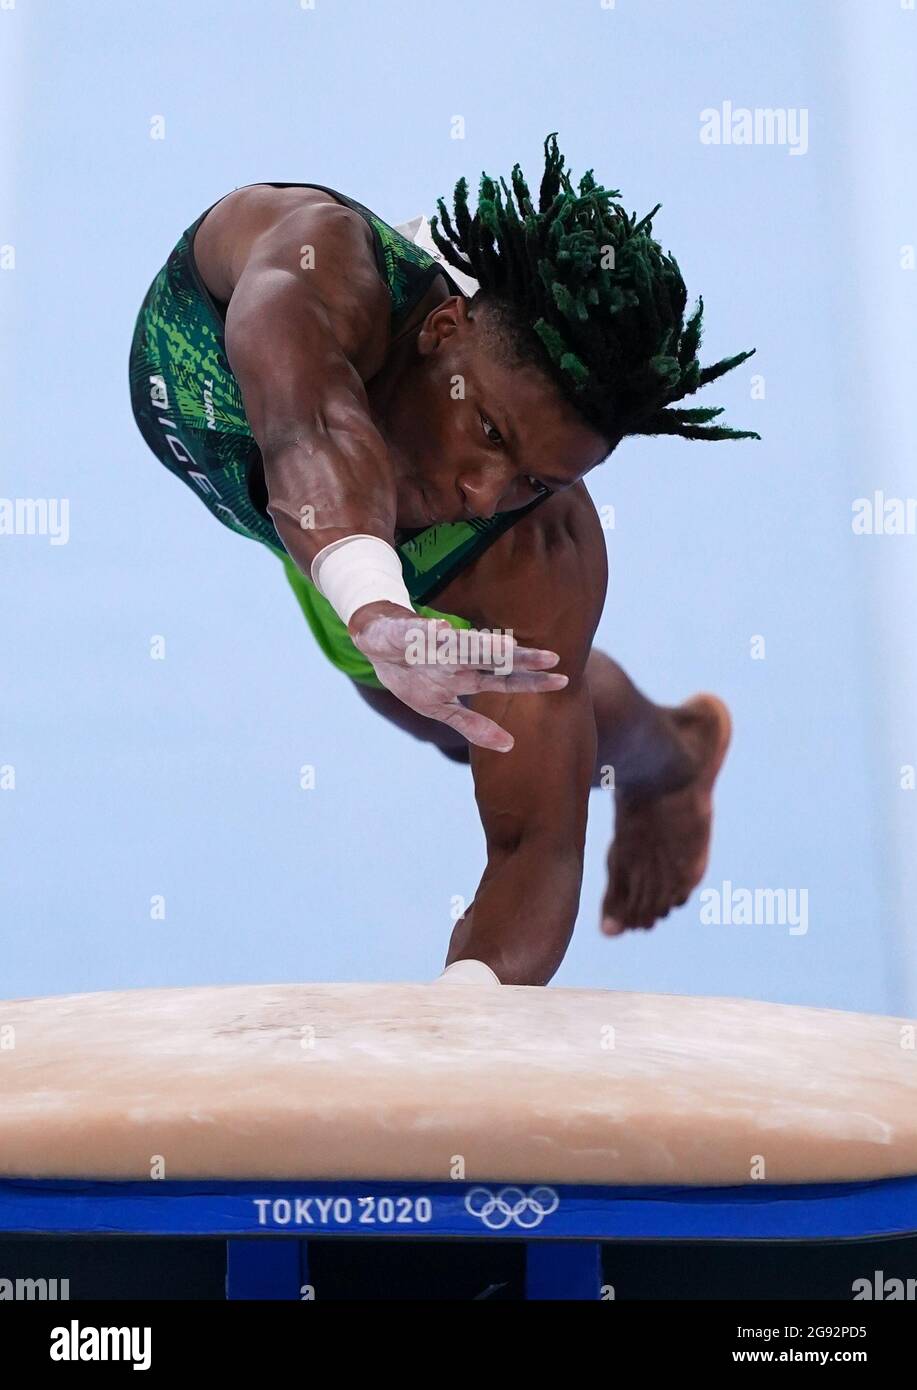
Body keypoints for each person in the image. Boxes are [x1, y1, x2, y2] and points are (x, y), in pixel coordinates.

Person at [129, 135, 756, 985]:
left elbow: (536, 844)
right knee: (426, 689)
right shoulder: (318, 266)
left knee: (483, 731)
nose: (483, 495)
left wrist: (466, 1024)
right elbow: (308, 431)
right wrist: (375, 605)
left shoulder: (535, 552)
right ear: (440, 329)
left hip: (362, 559)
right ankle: (674, 751)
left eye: (535, 477)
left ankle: (670, 762)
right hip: (330, 527)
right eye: (490, 432)